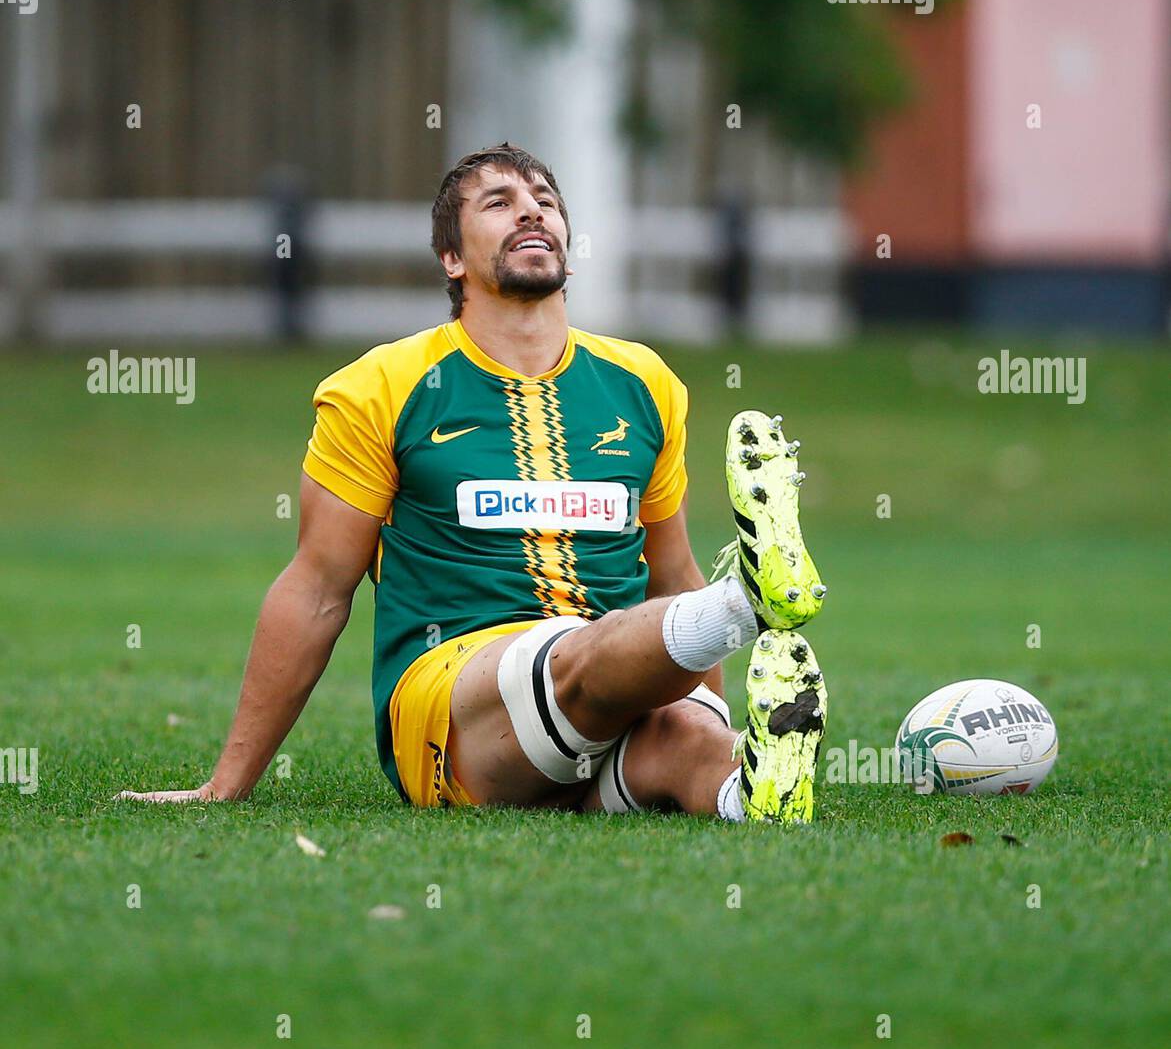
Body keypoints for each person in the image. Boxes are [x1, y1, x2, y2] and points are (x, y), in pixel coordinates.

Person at [120, 144, 827, 822]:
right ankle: (746, 602)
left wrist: (706, 714)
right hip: (453, 709)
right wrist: (226, 784)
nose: (532, 212)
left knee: (690, 745)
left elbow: (670, 575)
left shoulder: (644, 384)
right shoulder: (381, 387)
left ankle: (754, 795)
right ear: (451, 258)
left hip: (607, 702)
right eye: (500, 202)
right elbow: (315, 591)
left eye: (545, 202)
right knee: (579, 653)